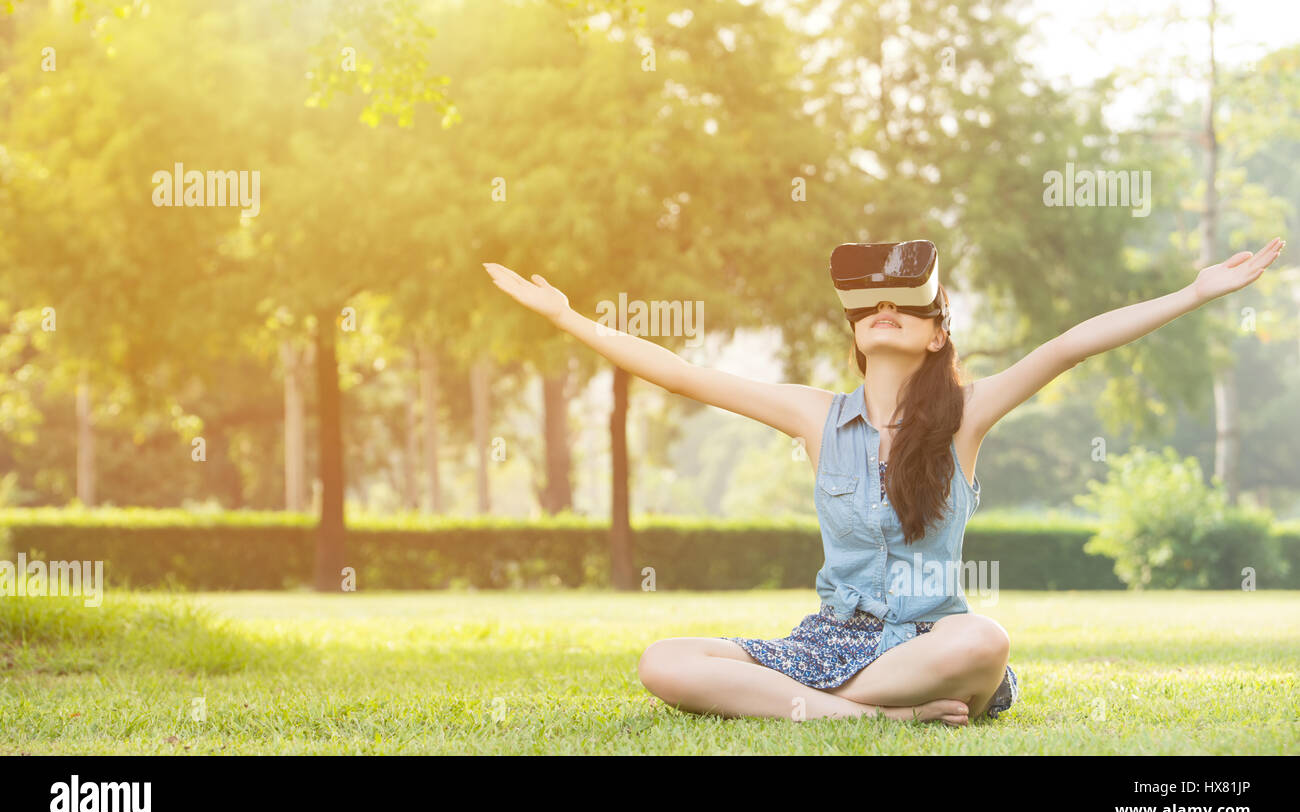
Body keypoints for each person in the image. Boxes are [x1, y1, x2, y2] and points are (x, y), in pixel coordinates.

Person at [482, 236, 1285, 726]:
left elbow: (1069, 345)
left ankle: (842, 708)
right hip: (830, 642)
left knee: (988, 640)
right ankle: (873, 716)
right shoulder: (813, 416)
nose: (885, 310)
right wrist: (569, 319)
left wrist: (1196, 291)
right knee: (664, 659)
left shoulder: (965, 416)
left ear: (938, 334)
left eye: (908, 304)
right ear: (858, 334)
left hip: (932, 647)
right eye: (871, 306)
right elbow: (685, 374)